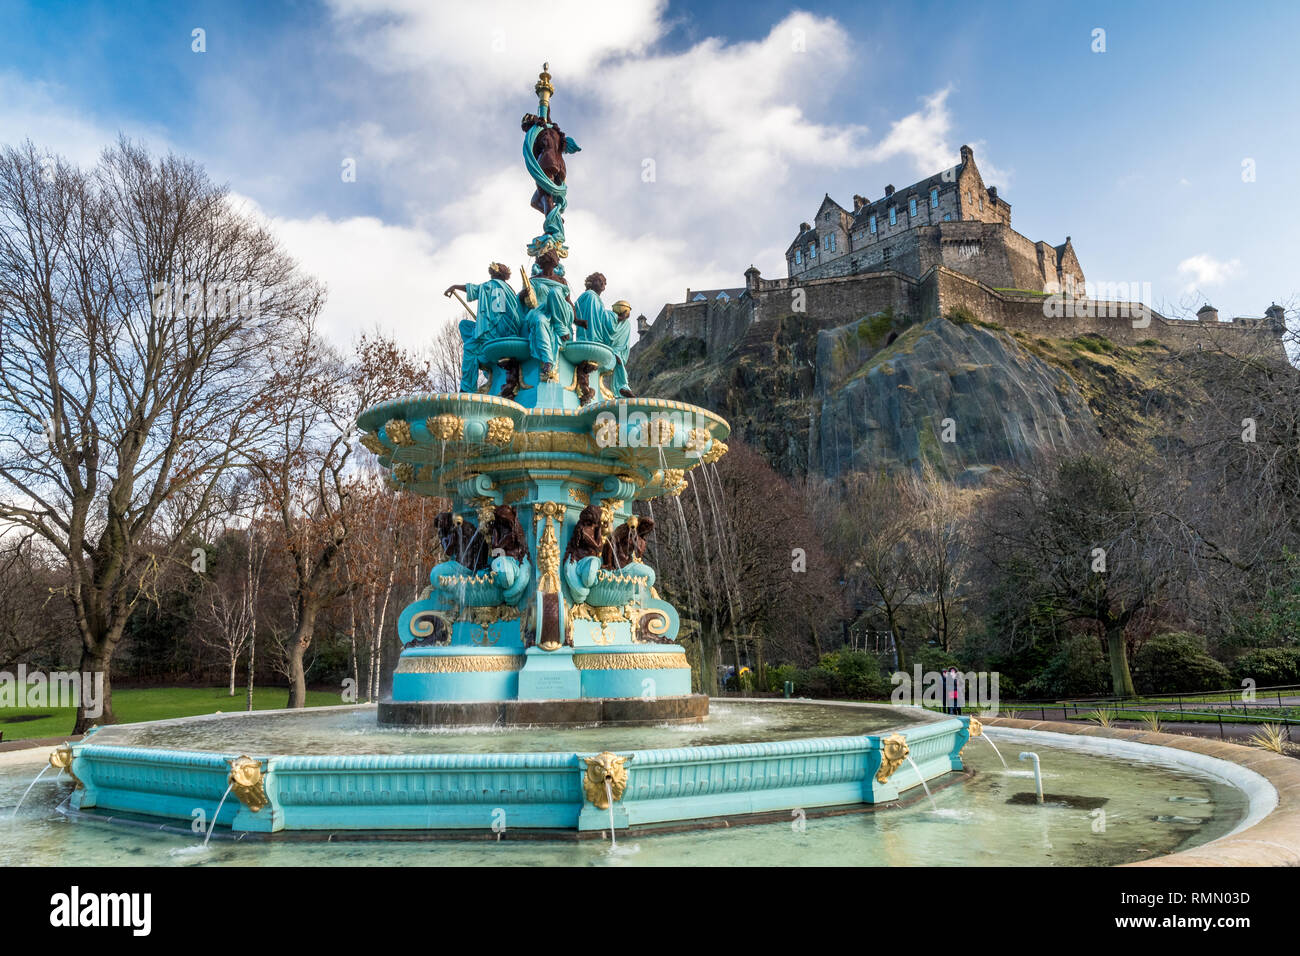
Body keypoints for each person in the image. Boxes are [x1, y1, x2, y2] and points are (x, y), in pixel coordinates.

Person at [444, 263, 522, 392]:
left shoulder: (489, 285)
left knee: (469, 348)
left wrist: (454, 287)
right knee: (465, 325)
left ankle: (467, 389)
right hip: (505, 329)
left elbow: (472, 289)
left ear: (495, 274)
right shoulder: (509, 289)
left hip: (492, 330)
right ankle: (480, 352)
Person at [522, 246, 574, 381]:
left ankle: (559, 326)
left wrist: (578, 320)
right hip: (541, 312)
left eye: (550, 261)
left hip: (560, 312)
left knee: (554, 293)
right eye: (545, 261)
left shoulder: (561, 281)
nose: (548, 264)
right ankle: (547, 360)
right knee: (539, 321)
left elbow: (569, 303)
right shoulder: (533, 280)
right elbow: (523, 300)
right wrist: (524, 294)